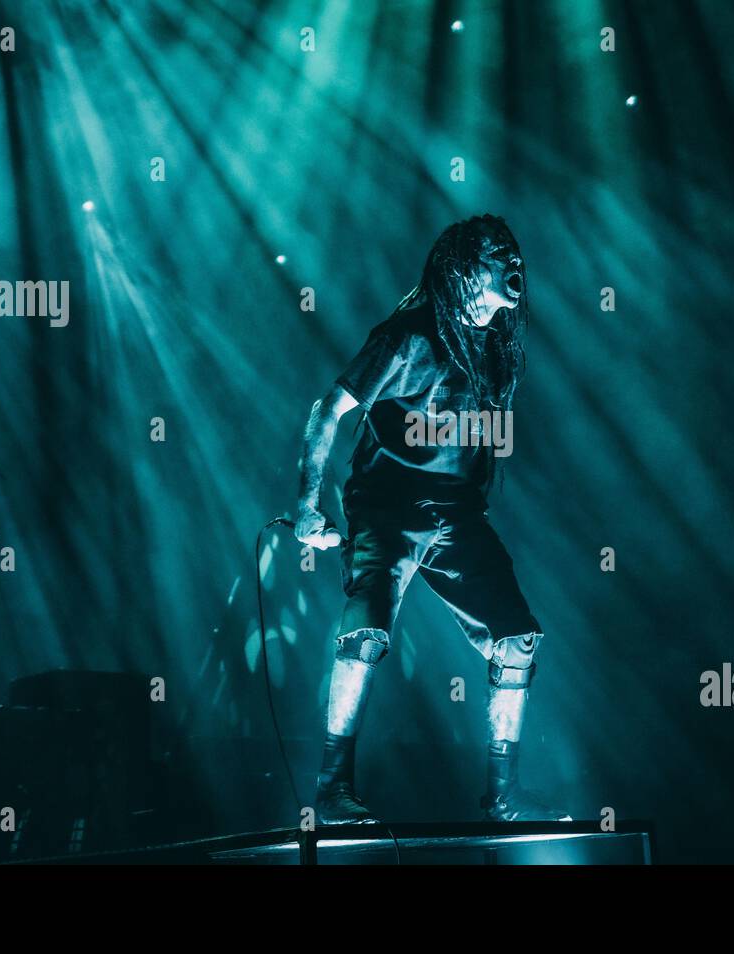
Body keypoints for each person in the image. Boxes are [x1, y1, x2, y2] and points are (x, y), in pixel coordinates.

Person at [295, 214, 567, 824]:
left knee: (517, 640)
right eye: (496, 251)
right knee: (366, 631)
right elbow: (328, 410)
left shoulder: (498, 351)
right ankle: (332, 787)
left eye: (514, 248)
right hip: (388, 501)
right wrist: (307, 503)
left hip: (457, 511)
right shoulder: (409, 336)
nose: (512, 258)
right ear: (465, 267)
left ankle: (503, 796)